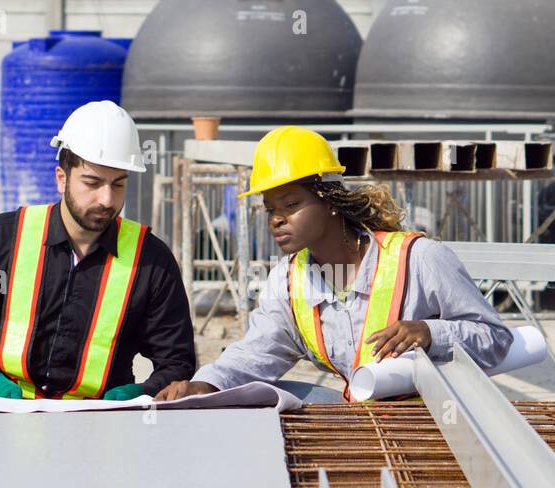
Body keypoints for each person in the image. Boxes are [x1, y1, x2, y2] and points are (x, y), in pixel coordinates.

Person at [155, 126, 512, 403]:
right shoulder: (289, 281)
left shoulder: (419, 259)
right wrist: (205, 384)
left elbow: (496, 339)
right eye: (270, 209)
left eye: (290, 204)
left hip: (437, 421)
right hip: (364, 417)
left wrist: (431, 333)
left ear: (329, 201)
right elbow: (257, 352)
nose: (277, 219)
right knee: (256, 403)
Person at [0, 101, 195, 400]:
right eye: (92, 183)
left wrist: (140, 392)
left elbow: (177, 362)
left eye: (118, 185)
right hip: (5, 402)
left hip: (100, 413)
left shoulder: (151, 260)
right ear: (61, 178)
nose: (107, 199)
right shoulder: (3, 238)